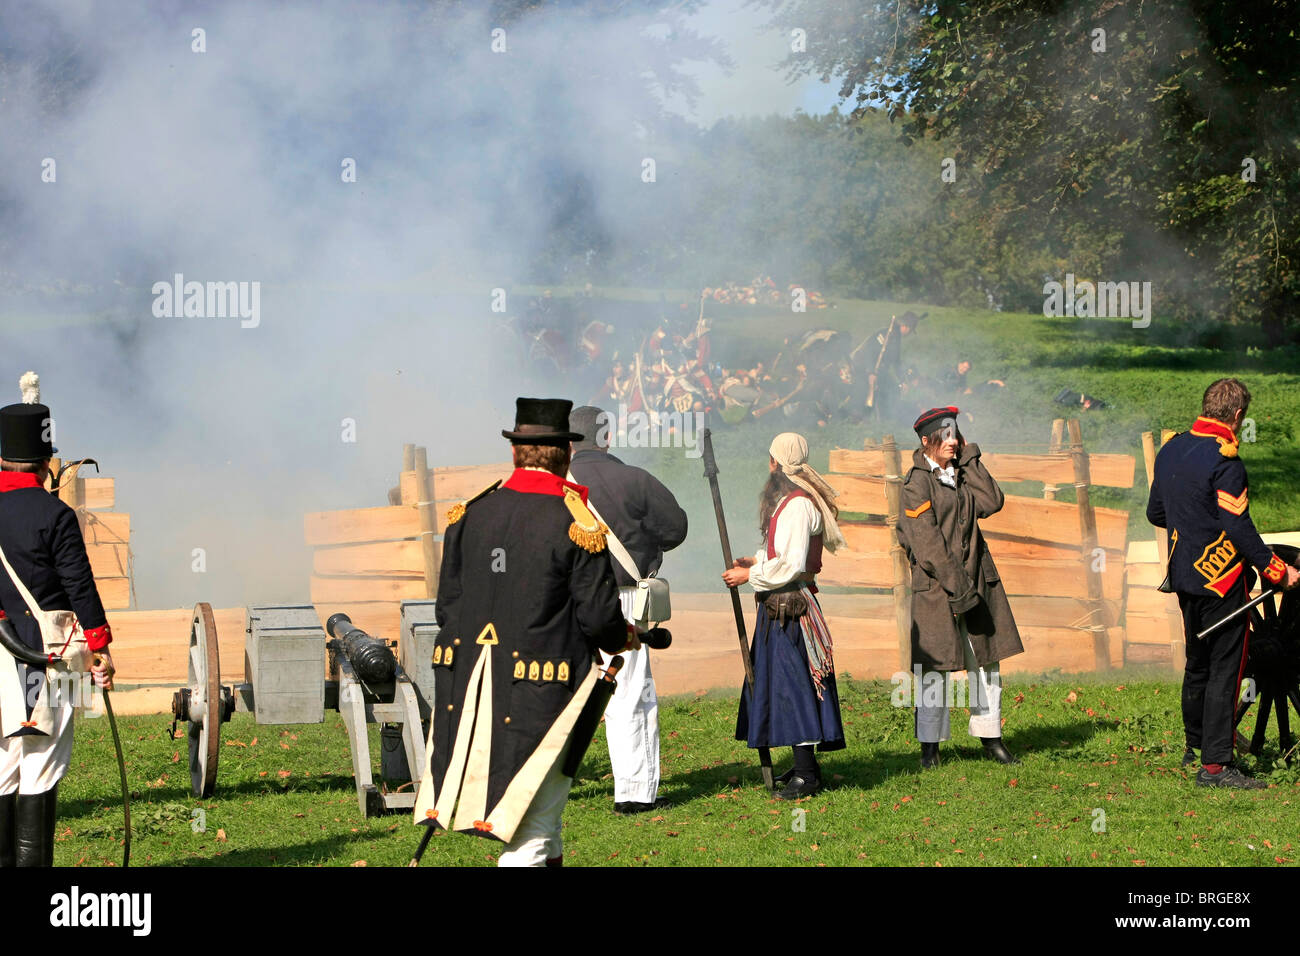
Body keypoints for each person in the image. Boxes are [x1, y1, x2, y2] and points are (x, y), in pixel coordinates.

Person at [413, 397, 632, 866]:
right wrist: (622, 637)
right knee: (531, 827)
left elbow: (447, 608)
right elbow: (597, 617)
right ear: (566, 455)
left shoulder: (471, 513)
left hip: (468, 690)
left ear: (516, 453)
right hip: (546, 692)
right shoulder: (576, 521)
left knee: (543, 823)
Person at [1147, 378, 1298, 789]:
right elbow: (1238, 525)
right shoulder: (1226, 460)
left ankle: (1195, 745)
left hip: (1183, 577)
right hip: (1221, 581)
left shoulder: (1172, 448)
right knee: (1225, 672)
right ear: (1236, 416)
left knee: (1197, 663)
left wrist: (1191, 523)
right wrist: (1277, 571)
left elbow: (1156, 513)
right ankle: (1215, 767)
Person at [0, 375, 114, 867]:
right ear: (46, 462)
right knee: (41, 768)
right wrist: (100, 646)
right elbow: (79, 589)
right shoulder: (56, 516)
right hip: (48, 660)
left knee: (3, 768)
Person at [568, 405, 688, 814]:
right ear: (606, 438)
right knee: (629, 693)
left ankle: (535, 790)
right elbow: (676, 527)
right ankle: (635, 794)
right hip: (621, 600)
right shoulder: (634, 479)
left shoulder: (552, 488)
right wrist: (643, 545)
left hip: (561, 603)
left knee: (551, 693)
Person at [897, 406, 1023, 769]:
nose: (952, 442)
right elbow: (928, 544)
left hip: (977, 583)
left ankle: (991, 738)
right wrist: (959, 589)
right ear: (926, 441)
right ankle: (930, 748)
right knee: (934, 667)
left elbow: (992, 501)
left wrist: (969, 458)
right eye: (946, 436)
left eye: (956, 435)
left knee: (985, 662)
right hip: (938, 589)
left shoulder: (961, 473)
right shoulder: (916, 484)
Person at [722, 433, 846, 799]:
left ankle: (807, 776)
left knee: (795, 689)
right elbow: (783, 555)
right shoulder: (791, 502)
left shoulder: (796, 505)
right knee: (787, 687)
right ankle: (804, 765)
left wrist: (750, 576)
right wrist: (756, 561)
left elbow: (792, 565)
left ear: (775, 463)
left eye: (770, 459)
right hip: (780, 606)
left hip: (791, 609)